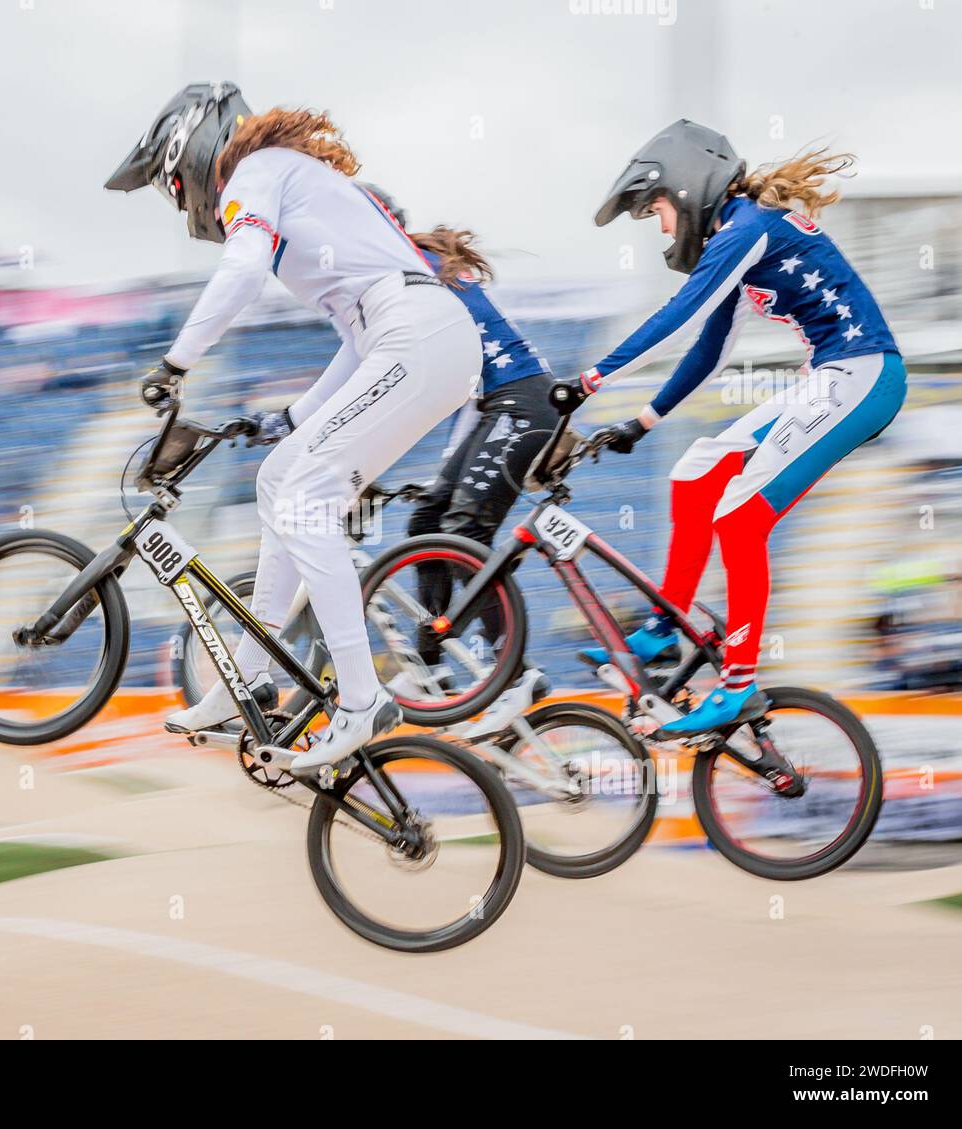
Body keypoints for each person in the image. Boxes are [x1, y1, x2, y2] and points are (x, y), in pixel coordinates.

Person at [105, 83, 481, 771]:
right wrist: (295, 417)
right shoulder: (284, 175)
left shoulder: (254, 173)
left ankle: (363, 700)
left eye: (170, 181)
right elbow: (357, 336)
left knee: (307, 499)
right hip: (416, 337)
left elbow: (243, 270)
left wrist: (176, 360)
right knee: (280, 475)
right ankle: (250, 673)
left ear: (192, 151)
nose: (176, 197)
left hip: (419, 338)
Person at [553, 119, 907, 737]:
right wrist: (643, 420)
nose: (662, 227)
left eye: (657, 210)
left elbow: (679, 314)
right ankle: (668, 626)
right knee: (695, 469)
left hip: (862, 377)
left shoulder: (744, 230)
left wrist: (588, 380)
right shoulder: (745, 237)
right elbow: (708, 352)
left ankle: (739, 683)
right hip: (834, 375)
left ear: (688, 191)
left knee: (740, 517)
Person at [359, 186, 558, 719]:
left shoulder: (408, 271)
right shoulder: (413, 264)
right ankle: (431, 664)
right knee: (430, 518)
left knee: (465, 534)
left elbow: (400, 379)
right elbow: (458, 393)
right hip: (500, 403)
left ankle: (517, 675)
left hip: (521, 402)